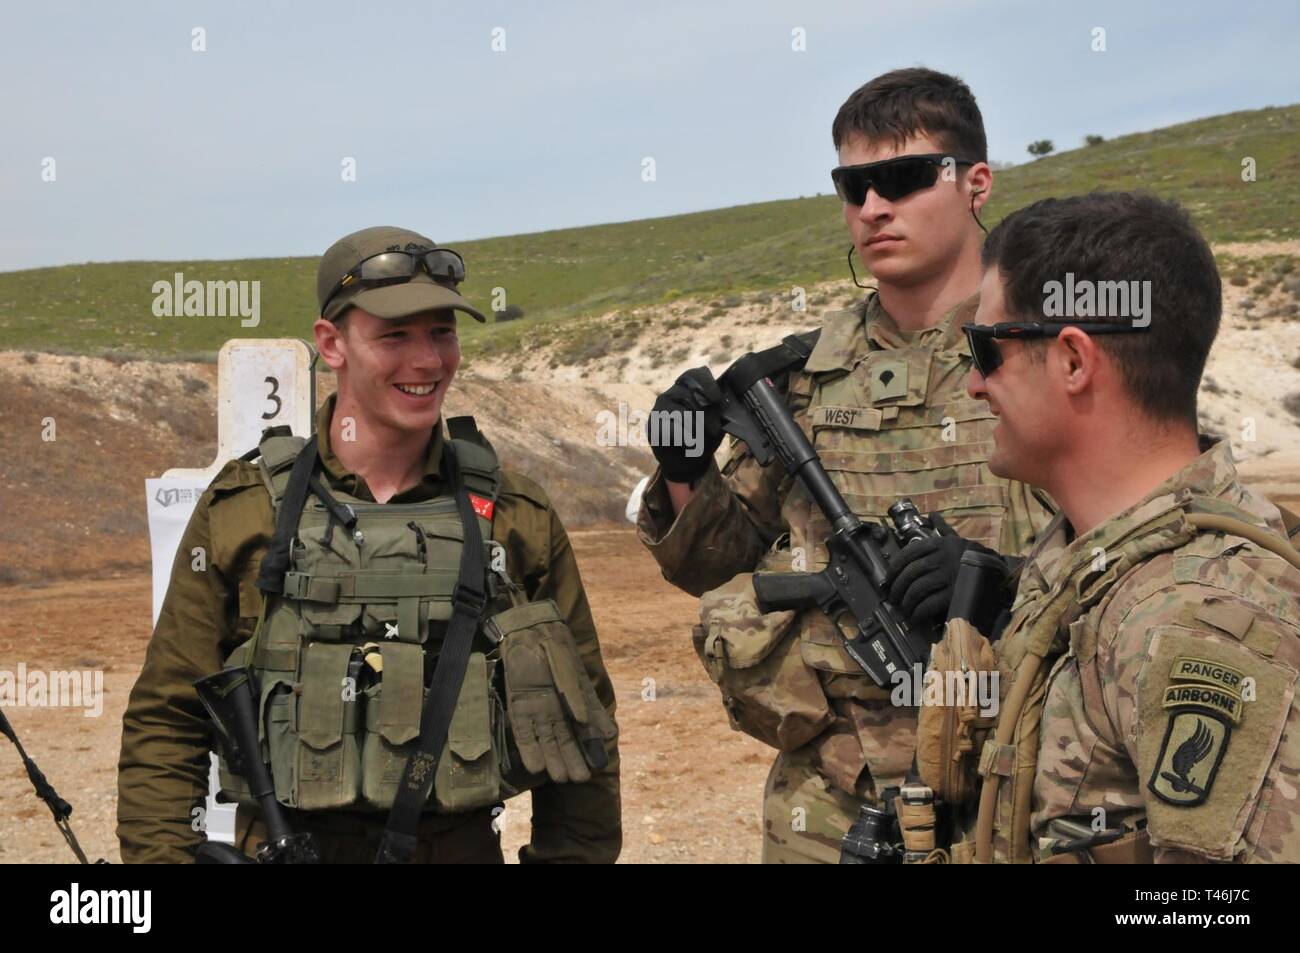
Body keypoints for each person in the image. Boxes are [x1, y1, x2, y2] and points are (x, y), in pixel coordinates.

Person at [637, 68, 1055, 863]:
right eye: (852, 186)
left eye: (900, 178)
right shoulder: (797, 378)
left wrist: (1004, 583)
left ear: (976, 183)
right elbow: (712, 564)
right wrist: (686, 468)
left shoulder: (1048, 352)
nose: (872, 207)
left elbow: (1135, 545)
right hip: (833, 808)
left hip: (1019, 790)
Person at [117, 226, 621, 864]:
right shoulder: (245, 511)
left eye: (442, 332)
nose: (428, 362)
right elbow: (168, 718)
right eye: (396, 336)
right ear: (332, 344)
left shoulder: (515, 516)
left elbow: (584, 725)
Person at [955, 191, 1300, 863]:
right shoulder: (1092, 569)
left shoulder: (1195, 620)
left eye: (984, 348)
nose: (972, 383)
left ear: (1075, 361)